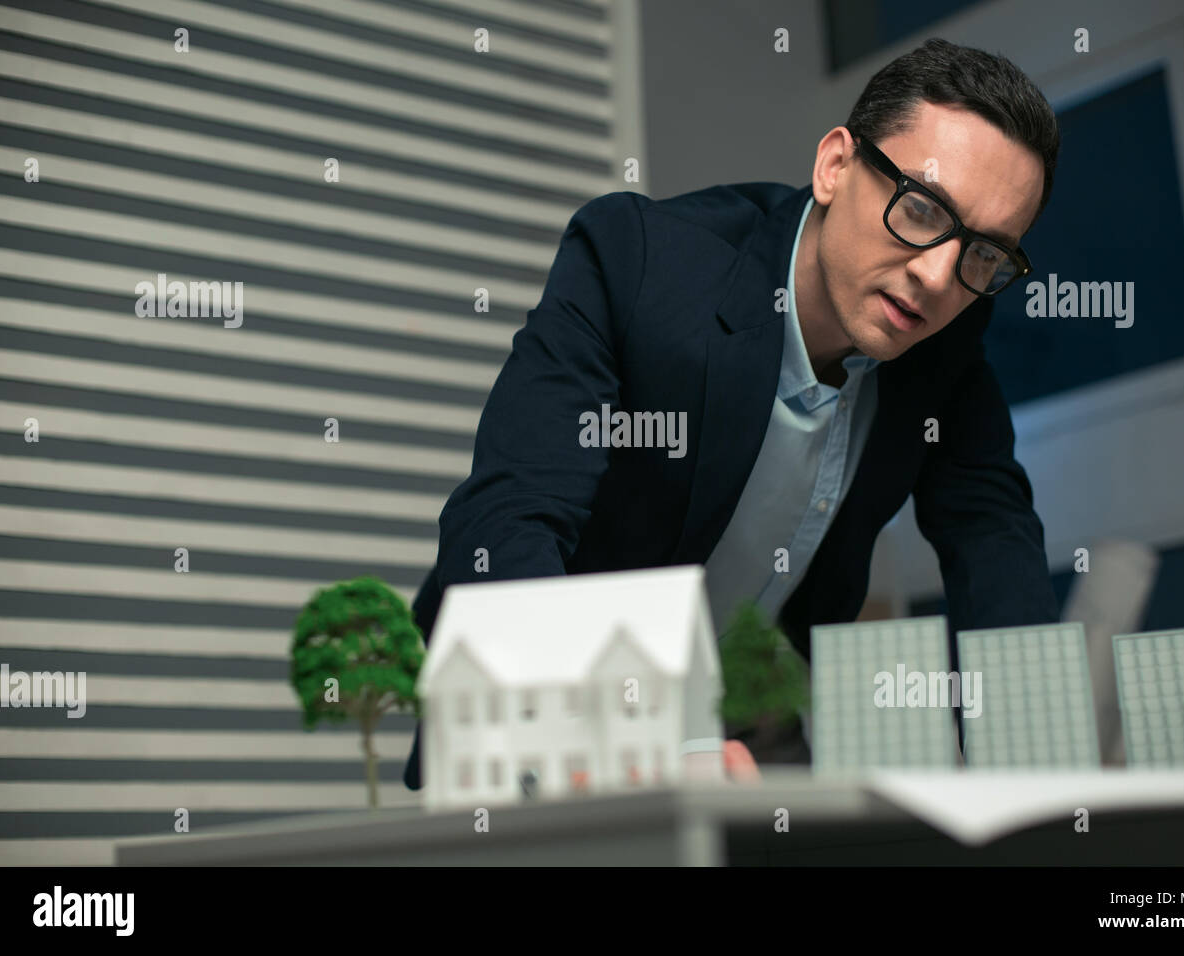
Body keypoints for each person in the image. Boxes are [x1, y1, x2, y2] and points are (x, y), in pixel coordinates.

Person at [404, 37, 1061, 791]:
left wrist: (1044, 777)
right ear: (836, 166)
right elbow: (508, 520)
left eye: (985, 253)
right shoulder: (639, 263)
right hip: (537, 727)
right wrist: (614, 740)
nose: (938, 274)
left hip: (735, 749)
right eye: (921, 209)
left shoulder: (947, 341)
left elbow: (994, 542)